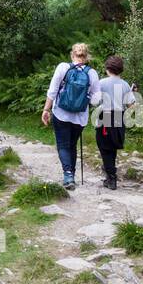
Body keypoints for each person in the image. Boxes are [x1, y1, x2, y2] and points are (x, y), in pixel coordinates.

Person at [41, 42, 100, 190]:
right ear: (86, 57)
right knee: (72, 145)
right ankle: (71, 174)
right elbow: (96, 99)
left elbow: (52, 90)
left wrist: (46, 110)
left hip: (61, 113)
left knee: (63, 145)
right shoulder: (92, 73)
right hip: (80, 117)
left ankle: (68, 176)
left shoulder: (63, 67)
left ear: (72, 55)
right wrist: (85, 100)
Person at [93, 53, 137, 190]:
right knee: (112, 146)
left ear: (108, 68)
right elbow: (131, 105)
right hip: (119, 115)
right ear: (120, 69)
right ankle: (109, 175)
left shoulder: (101, 83)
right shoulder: (124, 85)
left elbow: (95, 102)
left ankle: (111, 177)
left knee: (104, 146)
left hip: (105, 115)